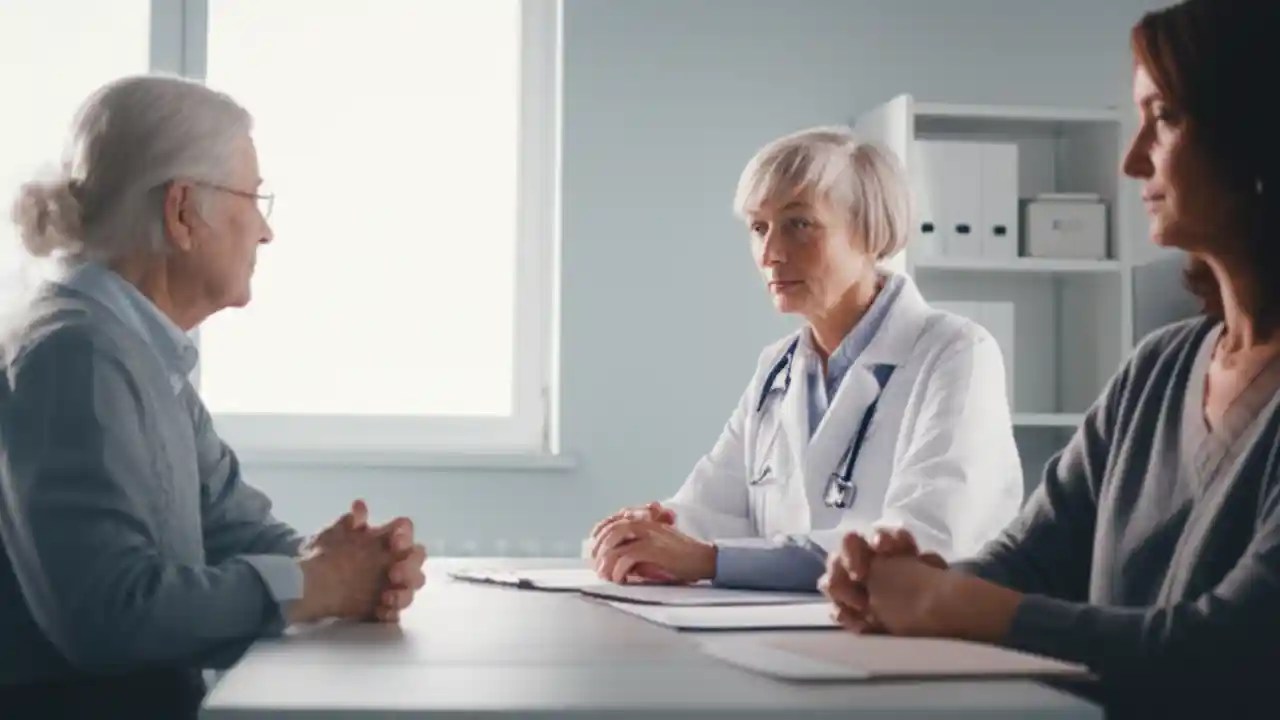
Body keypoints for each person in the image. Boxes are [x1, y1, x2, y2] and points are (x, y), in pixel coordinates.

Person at [819, 0, 1280, 712]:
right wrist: (906, 582)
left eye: (1164, 118)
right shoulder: (1156, 370)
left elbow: (1223, 653)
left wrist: (950, 604)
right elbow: (1033, 560)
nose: (1131, 161)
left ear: (1256, 134)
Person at [0, 75, 428, 719]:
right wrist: (316, 583)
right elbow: (109, 614)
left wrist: (358, 568)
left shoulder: (133, 348)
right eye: (253, 198)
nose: (265, 231)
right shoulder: (75, 357)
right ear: (182, 212)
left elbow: (232, 527)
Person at [587, 127, 1023, 591]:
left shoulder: (956, 353)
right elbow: (713, 506)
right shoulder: (778, 366)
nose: (770, 254)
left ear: (870, 232)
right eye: (759, 227)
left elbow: (927, 540)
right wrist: (654, 530)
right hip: (790, 624)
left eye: (799, 224)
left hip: (914, 628)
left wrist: (708, 560)